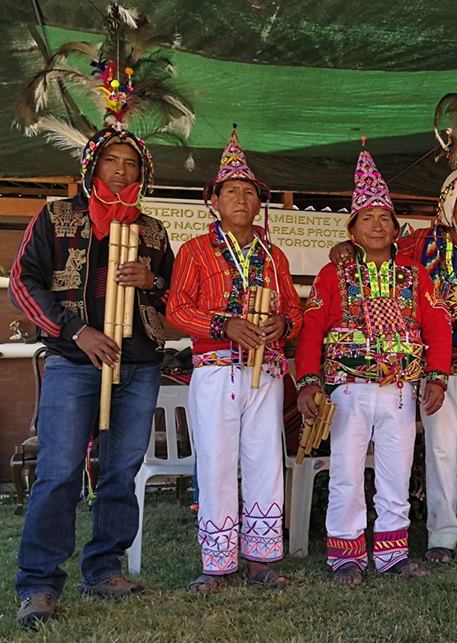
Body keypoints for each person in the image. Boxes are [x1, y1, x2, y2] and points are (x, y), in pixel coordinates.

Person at [328, 95, 457, 564]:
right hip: (433, 372)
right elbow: (377, 245)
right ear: (447, 201)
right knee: (438, 453)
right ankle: (440, 537)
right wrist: (343, 246)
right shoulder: (420, 243)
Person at [9, 121, 174, 626]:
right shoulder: (55, 216)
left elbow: (176, 295)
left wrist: (154, 279)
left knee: (120, 471)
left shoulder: (151, 230)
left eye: (131, 165)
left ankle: (104, 569)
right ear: (92, 166)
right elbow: (23, 282)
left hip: (138, 364)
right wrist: (76, 331)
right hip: (74, 362)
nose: (122, 172)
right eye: (112, 162)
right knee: (58, 472)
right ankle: (39, 583)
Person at [296, 147, 452, 586]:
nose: (378, 225)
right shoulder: (334, 275)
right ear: (352, 228)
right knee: (345, 470)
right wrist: (309, 383)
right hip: (348, 391)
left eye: (385, 217)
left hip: (401, 391)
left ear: (397, 227)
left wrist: (436, 377)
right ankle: (345, 555)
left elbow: (438, 326)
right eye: (368, 218)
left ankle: (392, 552)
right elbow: (310, 331)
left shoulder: (415, 276)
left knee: (395, 471)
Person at [166, 126, 303, 592]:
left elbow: (293, 308)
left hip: (265, 372)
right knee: (218, 461)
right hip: (215, 371)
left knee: (266, 459)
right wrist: (226, 325)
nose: (241, 198)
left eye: (249, 192)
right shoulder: (194, 251)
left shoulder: (274, 254)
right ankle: (217, 563)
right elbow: (176, 308)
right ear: (215, 201)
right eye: (232, 191)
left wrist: (283, 326)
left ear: (258, 202)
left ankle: (262, 557)